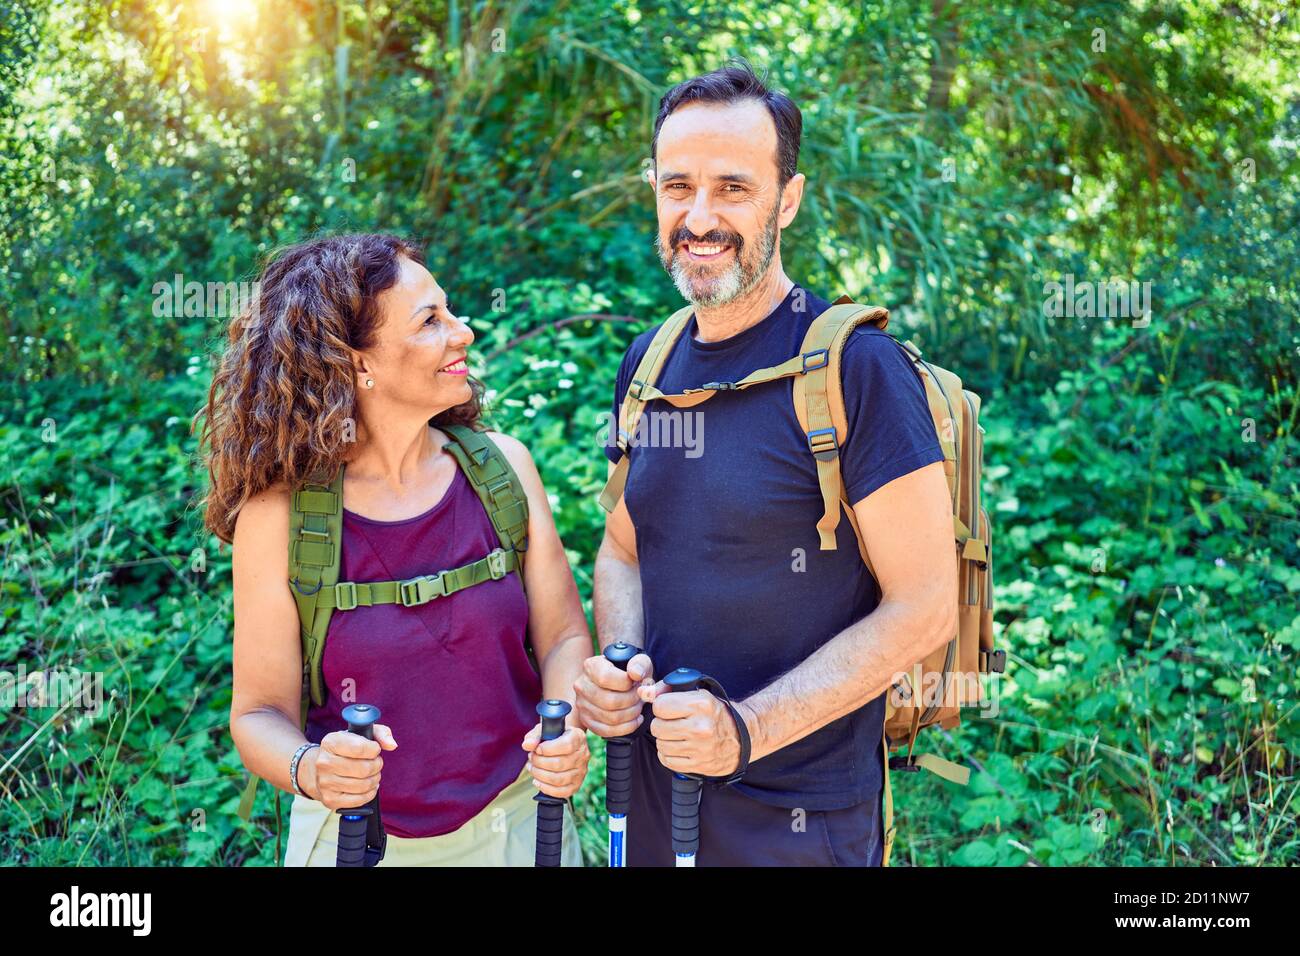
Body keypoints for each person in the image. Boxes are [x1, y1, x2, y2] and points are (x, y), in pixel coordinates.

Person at [574, 63, 958, 865]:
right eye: (677, 185)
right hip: (651, 795)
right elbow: (622, 551)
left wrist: (744, 733)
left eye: (733, 188)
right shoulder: (648, 361)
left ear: (788, 199)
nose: (699, 216)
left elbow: (925, 607)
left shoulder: (857, 370)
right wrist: (618, 663)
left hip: (799, 819)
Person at [201, 233, 590, 865]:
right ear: (359, 364)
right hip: (356, 839)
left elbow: (565, 639)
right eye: (431, 321)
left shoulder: (504, 471)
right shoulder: (281, 519)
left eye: (451, 310)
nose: (463, 332)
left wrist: (566, 726)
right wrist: (315, 768)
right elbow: (258, 714)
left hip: (524, 827)